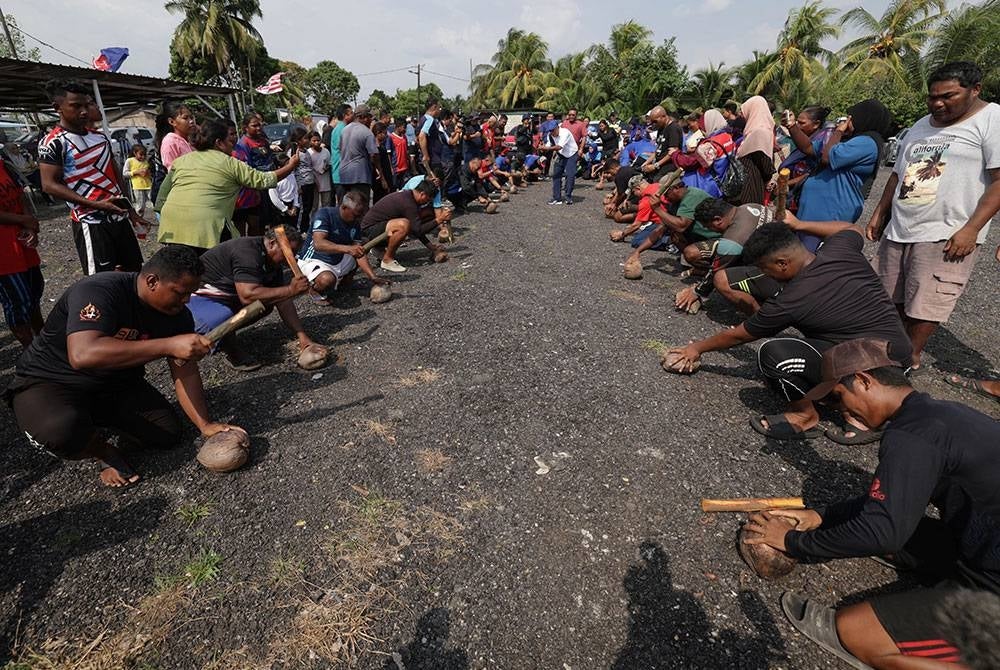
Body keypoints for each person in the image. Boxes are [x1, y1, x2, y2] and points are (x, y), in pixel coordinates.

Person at [743, 337, 1000, 670]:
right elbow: (889, 505)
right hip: (982, 545)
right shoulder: (941, 414)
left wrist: (793, 542)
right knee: (899, 533)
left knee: (853, 631)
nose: (840, 411)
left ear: (864, 380)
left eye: (837, 398)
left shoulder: (911, 437)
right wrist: (821, 516)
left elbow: (882, 532)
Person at [6, 246, 241, 488]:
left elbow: (185, 370)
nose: (186, 300)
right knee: (59, 432)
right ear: (152, 281)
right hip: (49, 381)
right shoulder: (98, 290)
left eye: (191, 293)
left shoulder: (178, 316)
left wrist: (204, 424)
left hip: (114, 385)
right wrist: (168, 345)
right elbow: (83, 354)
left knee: (167, 434)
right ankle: (102, 451)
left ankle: (92, 418)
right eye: (180, 292)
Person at [667, 218, 912, 443]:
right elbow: (852, 229)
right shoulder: (839, 251)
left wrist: (695, 348)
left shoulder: (792, 299)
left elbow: (741, 333)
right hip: (900, 352)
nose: (765, 276)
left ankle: (810, 415)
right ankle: (847, 398)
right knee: (821, 344)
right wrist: (798, 224)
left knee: (774, 354)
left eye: (766, 269)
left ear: (783, 263)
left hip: (872, 367)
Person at [867, 61, 1000, 374]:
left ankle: (909, 357)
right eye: (932, 97)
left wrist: (972, 229)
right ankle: (888, 349)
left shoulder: (991, 118)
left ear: (975, 90)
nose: (938, 103)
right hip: (902, 226)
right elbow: (897, 173)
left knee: (925, 302)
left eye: (948, 96)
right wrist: (879, 213)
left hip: (947, 231)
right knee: (889, 295)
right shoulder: (920, 125)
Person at [38, 79, 147, 275]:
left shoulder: (99, 137)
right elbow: (49, 185)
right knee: (102, 280)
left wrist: (130, 211)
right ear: (58, 108)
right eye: (76, 106)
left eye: (86, 105)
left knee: (133, 272)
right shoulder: (53, 142)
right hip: (90, 222)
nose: (84, 111)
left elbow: (115, 176)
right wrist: (95, 204)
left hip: (118, 216)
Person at [156, 120, 298, 256]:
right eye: (230, 142)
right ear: (219, 143)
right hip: (206, 228)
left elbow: (162, 197)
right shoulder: (231, 164)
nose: (233, 146)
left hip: (171, 226)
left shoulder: (182, 161)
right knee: (213, 271)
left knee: (180, 272)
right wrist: (290, 166)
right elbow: (264, 180)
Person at [186, 229, 319, 371]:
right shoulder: (247, 252)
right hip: (198, 297)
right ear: (273, 244)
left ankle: (225, 334)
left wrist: (302, 336)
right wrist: (291, 290)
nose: (291, 258)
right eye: (289, 251)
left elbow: (283, 300)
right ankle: (227, 347)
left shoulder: (273, 263)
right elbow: (247, 295)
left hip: (227, 297)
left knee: (265, 303)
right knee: (223, 317)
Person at [788, 100, 890, 251]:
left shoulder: (867, 143)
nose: (848, 120)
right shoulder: (851, 141)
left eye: (852, 117)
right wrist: (792, 127)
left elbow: (827, 157)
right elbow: (808, 147)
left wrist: (838, 131)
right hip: (817, 208)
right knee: (801, 250)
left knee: (812, 254)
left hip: (831, 209)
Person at [674, 198, 778, 316]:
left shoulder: (733, 240)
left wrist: (696, 292)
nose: (709, 230)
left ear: (718, 220)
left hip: (775, 274)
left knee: (720, 280)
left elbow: (716, 271)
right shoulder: (751, 206)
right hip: (778, 251)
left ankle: (761, 317)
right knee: (693, 252)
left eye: (708, 227)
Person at [618, 171, 714, 278]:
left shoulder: (692, 196)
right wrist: (637, 252)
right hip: (699, 236)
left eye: (666, 194)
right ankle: (701, 268)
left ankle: (712, 270)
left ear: (676, 188)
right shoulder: (674, 204)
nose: (665, 198)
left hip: (716, 237)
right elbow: (659, 231)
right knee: (675, 236)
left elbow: (681, 226)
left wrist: (657, 209)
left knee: (689, 252)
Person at [297, 190, 387, 301]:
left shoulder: (355, 223)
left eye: (361, 215)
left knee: (363, 245)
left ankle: (344, 283)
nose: (359, 218)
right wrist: (348, 249)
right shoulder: (325, 214)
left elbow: (358, 253)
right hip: (315, 259)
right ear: (344, 207)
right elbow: (318, 244)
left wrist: (372, 276)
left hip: (338, 258)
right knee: (326, 280)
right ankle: (315, 289)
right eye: (356, 215)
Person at [0, 158, 43, 347]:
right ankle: (32, 353)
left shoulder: (5, 165)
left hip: (22, 245)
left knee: (33, 294)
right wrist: (23, 220)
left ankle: (44, 342)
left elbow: (21, 196)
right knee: (17, 301)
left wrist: (28, 224)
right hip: (4, 254)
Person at [360, 181, 439, 273]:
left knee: (409, 223)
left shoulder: (409, 197)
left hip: (375, 229)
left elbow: (415, 228)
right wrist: (438, 220)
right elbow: (418, 231)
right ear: (422, 194)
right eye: (428, 199)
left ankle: (378, 249)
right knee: (403, 225)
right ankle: (387, 260)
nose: (426, 202)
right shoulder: (408, 202)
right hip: (369, 231)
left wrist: (432, 247)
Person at [776, 106, 832, 219]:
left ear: (816, 124)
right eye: (797, 122)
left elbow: (811, 174)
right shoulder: (806, 138)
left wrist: (786, 184)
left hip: (802, 196)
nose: (798, 126)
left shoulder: (821, 144)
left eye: (802, 123)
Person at [231, 112, 277, 236]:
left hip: (267, 185)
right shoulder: (243, 144)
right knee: (252, 224)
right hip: (252, 189)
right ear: (245, 128)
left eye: (259, 125)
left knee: (264, 222)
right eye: (254, 126)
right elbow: (247, 168)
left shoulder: (263, 141)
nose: (258, 128)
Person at [338, 104, 386, 203]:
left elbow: (340, 149)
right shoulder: (367, 133)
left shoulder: (344, 130)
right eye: (370, 117)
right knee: (360, 208)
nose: (371, 120)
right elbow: (374, 154)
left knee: (347, 207)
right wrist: (380, 172)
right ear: (363, 117)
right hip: (359, 176)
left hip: (344, 175)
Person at [735, 96, 775, 205]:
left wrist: (768, 178)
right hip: (750, 182)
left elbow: (764, 162)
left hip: (750, 185)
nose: (742, 115)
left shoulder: (759, 131)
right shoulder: (756, 129)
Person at [539, 123, 579, 205]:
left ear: (558, 128)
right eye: (550, 131)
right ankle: (557, 198)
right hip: (561, 154)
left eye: (553, 130)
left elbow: (559, 147)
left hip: (571, 154)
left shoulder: (565, 133)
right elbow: (549, 145)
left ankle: (568, 197)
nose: (552, 132)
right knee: (556, 174)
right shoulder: (550, 135)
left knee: (570, 175)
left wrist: (547, 148)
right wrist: (543, 148)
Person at [641, 106, 683, 182]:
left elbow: (673, 152)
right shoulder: (661, 129)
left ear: (664, 116)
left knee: (656, 181)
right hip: (659, 164)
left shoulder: (673, 128)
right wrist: (645, 163)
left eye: (655, 121)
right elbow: (658, 150)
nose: (654, 124)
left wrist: (655, 165)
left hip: (670, 165)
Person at [155, 102, 196, 171]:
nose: (191, 121)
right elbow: (173, 172)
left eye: (191, 117)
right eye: (185, 118)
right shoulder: (170, 142)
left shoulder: (189, 140)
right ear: (172, 122)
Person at [289, 128, 314, 231]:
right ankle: (300, 229)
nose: (307, 140)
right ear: (298, 140)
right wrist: (297, 186)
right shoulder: (295, 153)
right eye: (305, 138)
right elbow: (292, 170)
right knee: (302, 208)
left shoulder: (306, 151)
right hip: (302, 184)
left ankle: (306, 227)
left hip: (310, 183)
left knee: (309, 207)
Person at [267, 153, 300, 228]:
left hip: (291, 206)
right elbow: (274, 198)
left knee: (291, 230)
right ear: (279, 167)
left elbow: (295, 191)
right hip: (280, 208)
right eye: (287, 165)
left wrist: (295, 206)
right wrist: (285, 209)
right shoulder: (275, 180)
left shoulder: (291, 175)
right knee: (280, 231)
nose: (290, 167)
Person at [328, 104, 353, 204]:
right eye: (351, 113)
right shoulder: (341, 130)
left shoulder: (344, 128)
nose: (353, 115)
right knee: (344, 206)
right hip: (341, 175)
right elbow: (345, 150)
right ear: (345, 115)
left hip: (345, 175)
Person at [123, 144, 153, 217]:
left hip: (149, 185)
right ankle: (139, 218)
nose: (143, 157)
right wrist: (135, 172)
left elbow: (151, 173)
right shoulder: (130, 161)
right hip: (138, 187)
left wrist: (148, 172)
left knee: (154, 202)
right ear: (134, 153)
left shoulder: (146, 161)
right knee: (140, 205)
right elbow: (125, 173)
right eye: (140, 155)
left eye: (144, 155)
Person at [417, 98, 443, 179]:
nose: (440, 110)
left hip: (432, 159)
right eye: (439, 108)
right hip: (433, 160)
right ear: (434, 107)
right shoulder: (429, 120)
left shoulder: (422, 119)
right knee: (436, 183)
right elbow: (421, 136)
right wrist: (426, 155)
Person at [308, 132, 332, 211]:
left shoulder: (326, 152)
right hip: (314, 183)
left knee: (326, 205)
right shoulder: (308, 153)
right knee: (314, 206)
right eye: (314, 141)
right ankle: (314, 221)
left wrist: (326, 168)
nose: (316, 142)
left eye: (318, 140)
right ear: (310, 141)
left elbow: (330, 163)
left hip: (325, 182)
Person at [371, 122, 395, 203]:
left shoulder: (381, 146)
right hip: (381, 181)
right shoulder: (376, 148)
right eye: (384, 133)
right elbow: (377, 165)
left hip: (386, 177)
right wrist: (383, 180)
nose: (386, 136)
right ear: (378, 133)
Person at [389, 120, 411, 188]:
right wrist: (391, 168)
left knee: (403, 188)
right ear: (398, 127)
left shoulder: (404, 137)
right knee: (394, 188)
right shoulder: (391, 137)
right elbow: (389, 154)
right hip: (396, 168)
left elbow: (406, 151)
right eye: (404, 127)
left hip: (404, 168)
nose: (405, 129)